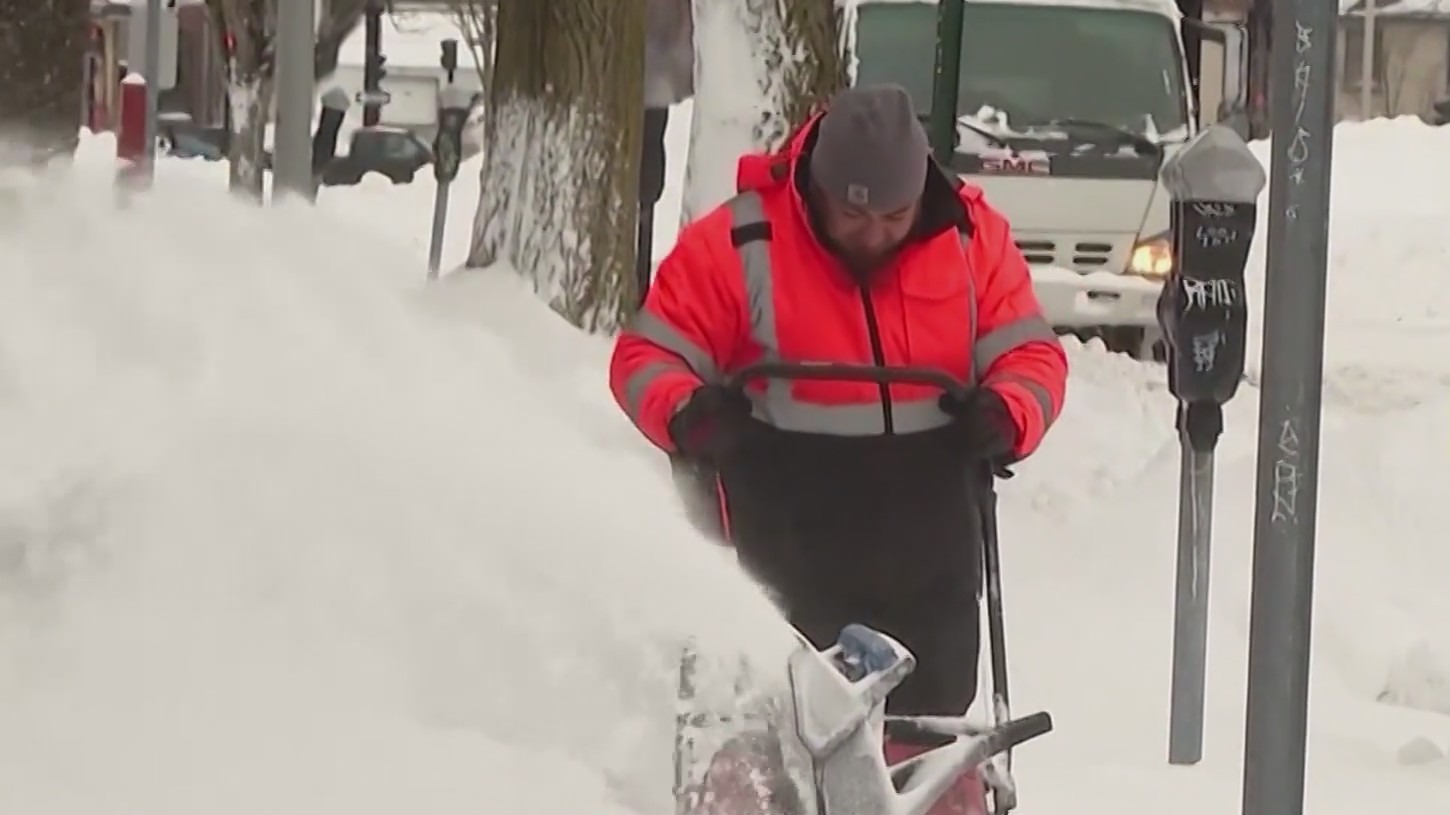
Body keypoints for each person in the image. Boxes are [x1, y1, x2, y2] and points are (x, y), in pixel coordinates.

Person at [608, 83, 1068, 815]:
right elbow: (645, 357)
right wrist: (689, 413)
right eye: (853, 212)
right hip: (781, 561)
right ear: (815, 188)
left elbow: (1032, 356)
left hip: (927, 566)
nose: (874, 231)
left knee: (935, 760)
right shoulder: (741, 243)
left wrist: (1009, 412)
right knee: (768, 753)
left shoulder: (971, 241)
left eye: (893, 213)